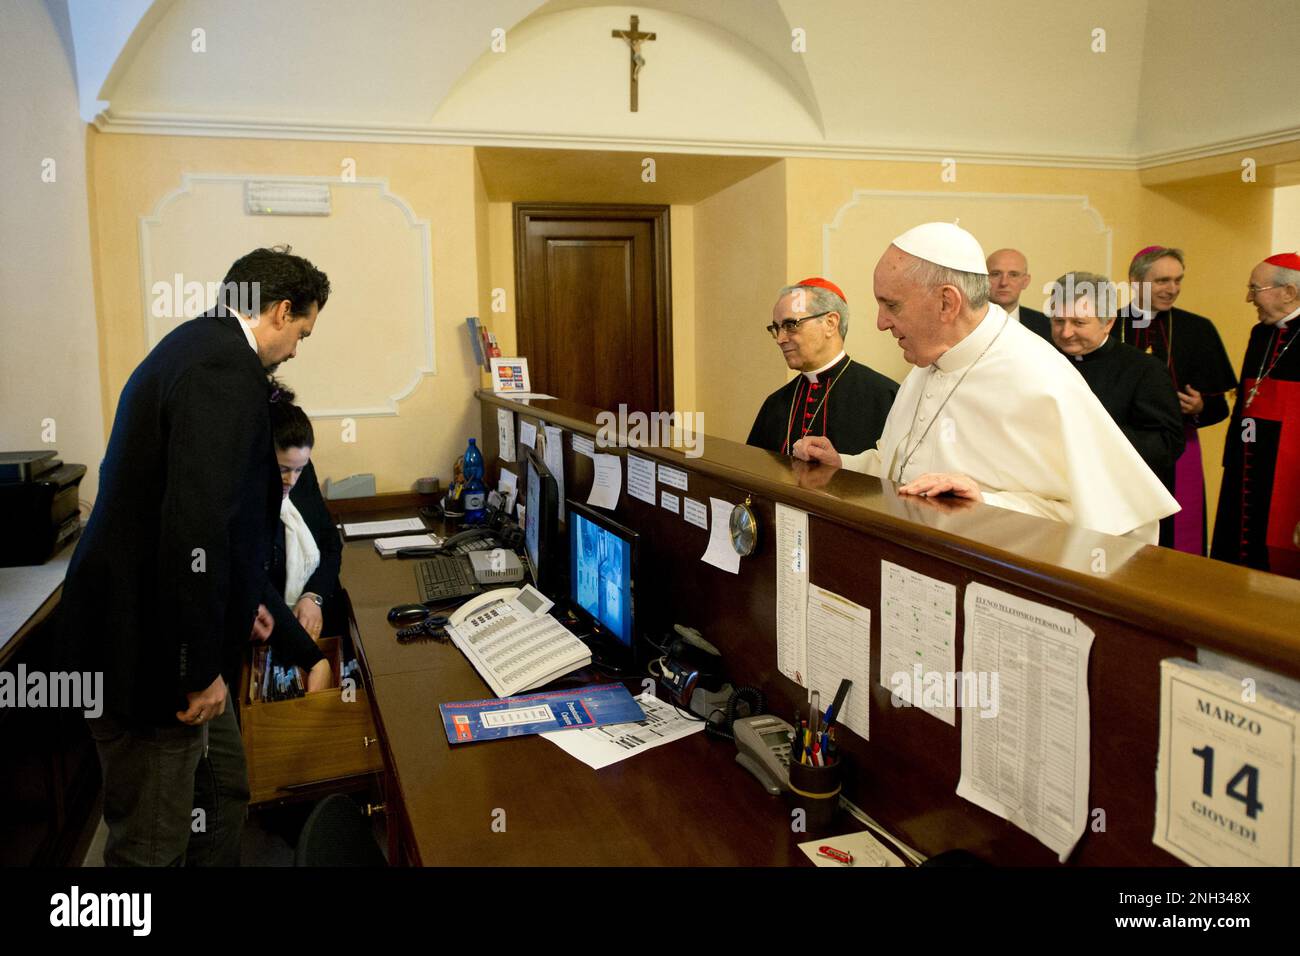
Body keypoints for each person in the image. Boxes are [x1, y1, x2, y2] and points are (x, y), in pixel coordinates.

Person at [57, 246, 331, 866]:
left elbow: (222, 530)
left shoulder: (198, 346)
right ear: (281, 312)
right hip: (148, 655)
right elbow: (195, 533)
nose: (295, 351)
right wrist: (197, 669)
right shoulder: (222, 372)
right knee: (153, 844)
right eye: (303, 334)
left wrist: (258, 615)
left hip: (164, 634)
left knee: (224, 791)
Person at [793, 222, 1178, 543]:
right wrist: (844, 464)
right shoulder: (928, 364)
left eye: (892, 305)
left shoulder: (1040, 380)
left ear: (947, 302)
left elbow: (1119, 525)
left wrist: (987, 503)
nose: (880, 323)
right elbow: (905, 469)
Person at [1113, 246, 1237, 553]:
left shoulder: (1198, 329)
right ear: (1134, 280)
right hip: (1119, 447)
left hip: (1178, 446)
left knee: (1177, 536)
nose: (1172, 289)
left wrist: (1200, 408)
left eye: (1178, 280)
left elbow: (1220, 406)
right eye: (1162, 281)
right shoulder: (1110, 325)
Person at [1048, 271, 1185, 495]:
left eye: (1078, 322)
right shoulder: (1040, 358)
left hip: (1118, 492)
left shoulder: (1144, 370)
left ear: (1108, 323)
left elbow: (1167, 443)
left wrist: (1090, 437)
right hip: (1054, 488)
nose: (1066, 332)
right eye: (1058, 321)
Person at [1211, 252, 1300, 578]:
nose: (1249, 297)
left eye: (1255, 288)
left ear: (1288, 292)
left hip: (1290, 468)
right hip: (1248, 460)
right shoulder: (1260, 333)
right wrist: (1234, 456)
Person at [251, 382, 341, 694]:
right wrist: (311, 657)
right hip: (271, 630)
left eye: (300, 469)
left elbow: (330, 542)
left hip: (312, 617)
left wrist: (313, 596)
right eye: (283, 470)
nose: (292, 480)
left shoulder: (300, 472)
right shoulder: (250, 499)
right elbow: (256, 579)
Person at [747, 277, 897, 456]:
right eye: (776, 328)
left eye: (790, 325)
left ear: (830, 323)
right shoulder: (774, 404)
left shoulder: (885, 396)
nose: (780, 339)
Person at [986, 248, 1051, 340]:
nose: (1004, 282)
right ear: (982, 279)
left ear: (1025, 281)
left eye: (1013, 275)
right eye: (996, 274)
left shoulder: (1047, 325)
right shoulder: (963, 323)